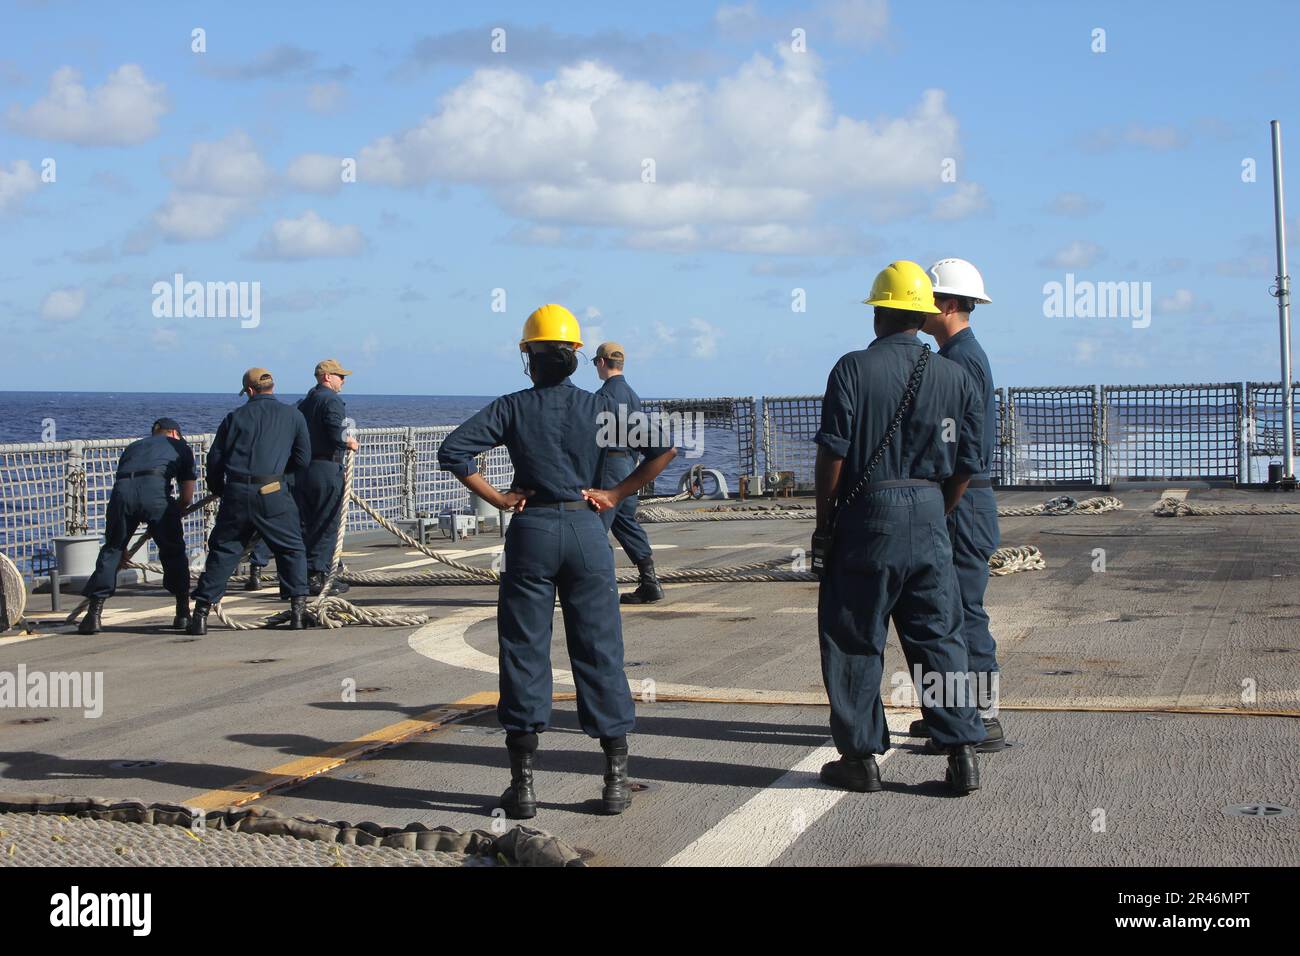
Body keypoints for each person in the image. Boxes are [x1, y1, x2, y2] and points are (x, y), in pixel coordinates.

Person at [438, 304, 676, 820]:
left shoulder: (511, 406)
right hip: (588, 530)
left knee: (524, 648)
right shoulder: (602, 409)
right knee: (599, 648)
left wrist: (500, 499)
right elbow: (663, 449)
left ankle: (522, 787)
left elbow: (454, 452)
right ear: (574, 355)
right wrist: (615, 493)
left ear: (529, 358)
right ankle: (615, 779)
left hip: (533, 532)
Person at [813, 260, 986, 796]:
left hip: (869, 516)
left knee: (854, 637)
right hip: (932, 512)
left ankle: (861, 758)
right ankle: (959, 752)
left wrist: (826, 523)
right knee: (939, 636)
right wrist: (941, 508)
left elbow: (833, 455)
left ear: (881, 313)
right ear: (923, 312)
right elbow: (968, 462)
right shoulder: (957, 376)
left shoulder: (852, 368)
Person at [908, 258, 1006, 750]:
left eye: (927, 300)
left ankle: (984, 717)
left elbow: (964, 447)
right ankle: (956, 711)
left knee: (965, 610)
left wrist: (943, 503)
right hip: (965, 496)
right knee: (946, 609)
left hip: (963, 499)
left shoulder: (958, 361)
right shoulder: (961, 354)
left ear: (945, 305)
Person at [187, 368, 312, 635]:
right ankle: (298, 611)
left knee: (224, 550)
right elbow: (302, 459)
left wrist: (220, 488)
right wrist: (279, 474)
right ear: (272, 388)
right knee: (291, 548)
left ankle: (200, 614)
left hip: (236, 491)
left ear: (250, 391)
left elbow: (215, 460)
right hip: (272, 490)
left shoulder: (235, 417)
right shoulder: (293, 415)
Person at [78, 418, 196, 634]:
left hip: (122, 496)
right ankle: (182, 613)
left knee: (112, 549)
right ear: (174, 434)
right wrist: (169, 517)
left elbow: (127, 485)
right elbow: (186, 497)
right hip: (156, 496)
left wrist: (122, 546)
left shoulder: (133, 447)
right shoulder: (180, 447)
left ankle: (93, 614)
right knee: (173, 552)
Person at [592, 341, 662, 604]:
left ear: (601, 362)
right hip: (629, 467)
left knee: (595, 527)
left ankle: (598, 588)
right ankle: (650, 581)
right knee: (625, 523)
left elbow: (596, 435)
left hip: (609, 465)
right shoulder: (632, 395)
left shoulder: (604, 396)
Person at [294, 359, 360, 595]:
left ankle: (304, 574)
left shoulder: (306, 401)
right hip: (326, 468)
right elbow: (336, 431)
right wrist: (349, 441)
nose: (343, 380)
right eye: (339, 376)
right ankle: (319, 576)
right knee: (326, 523)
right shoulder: (330, 400)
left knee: (306, 524)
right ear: (326, 377)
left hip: (303, 470)